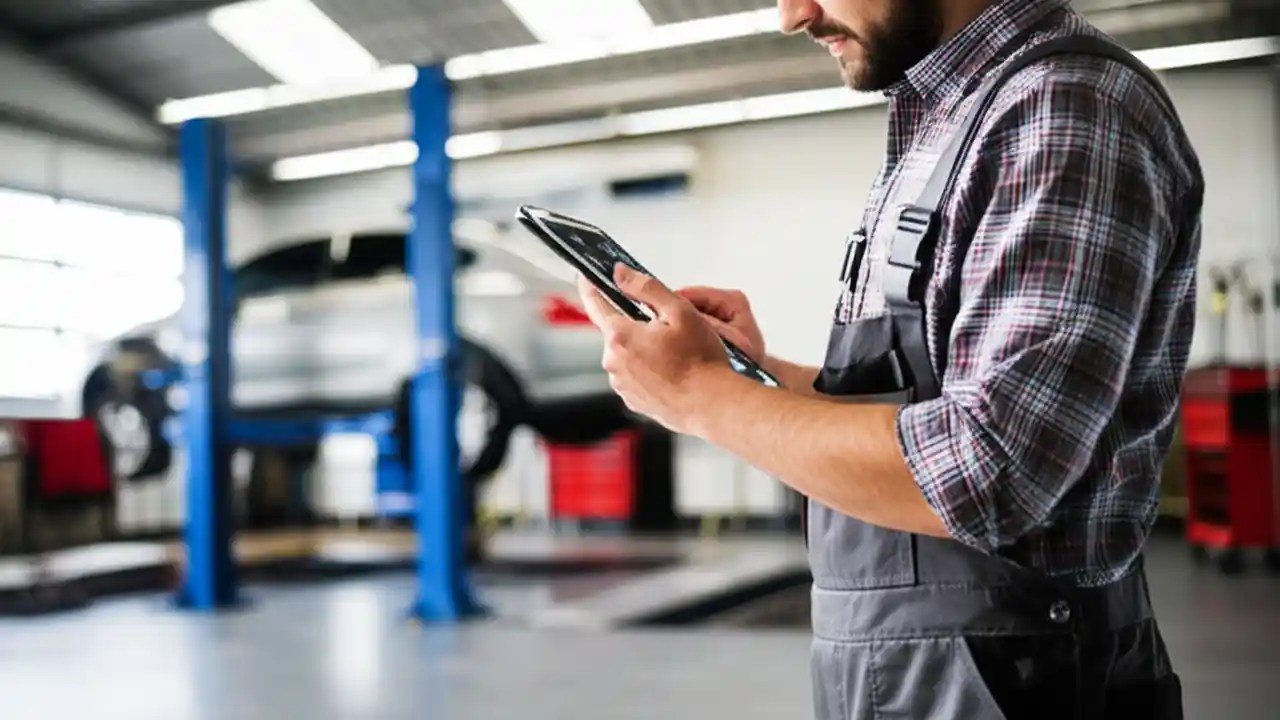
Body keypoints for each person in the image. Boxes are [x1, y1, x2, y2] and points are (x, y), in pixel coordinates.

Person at [576, 0, 1204, 718]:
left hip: (1008, 678)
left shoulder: (1063, 108)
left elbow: (990, 472)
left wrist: (703, 396)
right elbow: (919, 411)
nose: (793, 16)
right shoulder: (955, 116)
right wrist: (748, 374)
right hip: (925, 670)